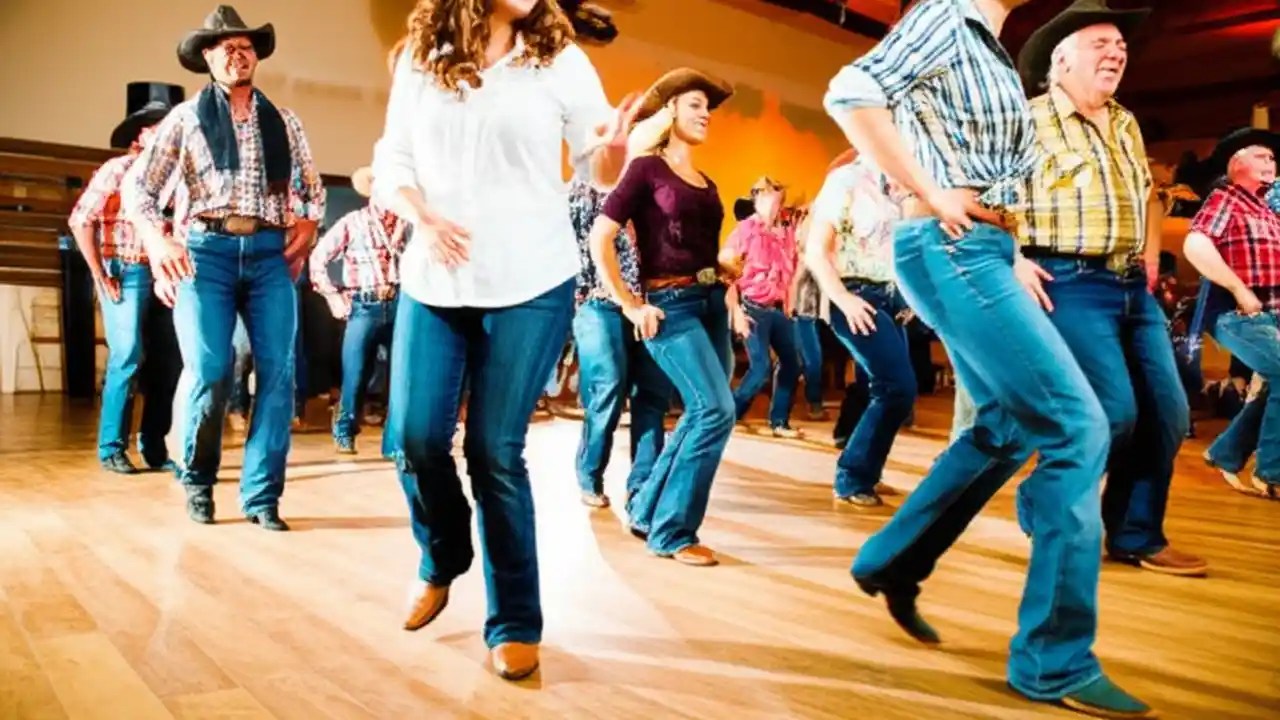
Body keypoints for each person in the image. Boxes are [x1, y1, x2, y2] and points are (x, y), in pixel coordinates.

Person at [823, 0, 1153, 716]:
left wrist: (1014, 249)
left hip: (983, 247)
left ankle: (890, 562)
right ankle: (1054, 663)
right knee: (1078, 428)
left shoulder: (990, 43)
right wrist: (926, 188)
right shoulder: (946, 12)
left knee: (1005, 428)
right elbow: (850, 90)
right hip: (951, 242)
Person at [373, 0, 640, 682]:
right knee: (413, 437)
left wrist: (613, 147)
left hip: (531, 278)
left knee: (495, 452)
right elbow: (392, 159)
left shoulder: (561, 60)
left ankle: (516, 619)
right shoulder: (419, 57)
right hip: (436, 272)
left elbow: (596, 170)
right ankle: (441, 554)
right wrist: (422, 216)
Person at [1009, 1, 1205, 576]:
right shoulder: (1028, 120)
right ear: (1060, 57)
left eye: (1120, 46)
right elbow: (991, 199)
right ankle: (1041, 500)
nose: (1116, 52)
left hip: (1127, 284)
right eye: (1101, 43)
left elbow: (1145, 192)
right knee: (1113, 412)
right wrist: (1013, 259)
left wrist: (1146, 258)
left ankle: (1136, 534)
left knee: (1167, 413)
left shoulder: (1124, 121)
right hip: (1063, 279)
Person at [122, 5, 325, 531]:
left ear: (255, 56)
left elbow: (313, 190)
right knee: (211, 371)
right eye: (225, 48)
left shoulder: (284, 121)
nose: (238, 54)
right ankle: (197, 475)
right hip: (203, 252)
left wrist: (309, 222)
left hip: (267, 253)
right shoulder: (185, 119)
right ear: (207, 59)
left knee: (278, 375)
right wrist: (157, 239)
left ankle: (261, 496)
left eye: (246, 46)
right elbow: (137, 188)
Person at [588, 67, 735, 568]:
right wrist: (630, 303)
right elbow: (600, 238)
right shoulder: (645, 170)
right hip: (668, 307)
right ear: (671, 109)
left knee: (703, 411)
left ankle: (648, 508)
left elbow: (697, 249)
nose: (705, 115)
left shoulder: (707, 182)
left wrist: (722, 270)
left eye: (708, 108)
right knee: (716, 411)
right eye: (695, 104)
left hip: (711, 301)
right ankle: (673, 532)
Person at [69, 83, 184, 475]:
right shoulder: (117, 169)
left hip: (166, 273)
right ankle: (111, 446)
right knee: (128, 353)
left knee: (168, 361)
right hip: (125, 268)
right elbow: (81, 219)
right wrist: (100, 273)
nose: (164, 132)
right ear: (141, 135)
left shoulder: (178, 178)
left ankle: (153, 446)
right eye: (156, 126)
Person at [804, 151, 915, 508]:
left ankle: (864, 472)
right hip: (854, 293)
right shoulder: (846, 180)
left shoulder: (904, 182)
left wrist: (909, 296)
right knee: (897, 388)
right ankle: (852, 476)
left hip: (891, 298)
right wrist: (841, 298)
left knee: (877, 388)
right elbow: (815, 252)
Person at [1184, 127, 1280, 500]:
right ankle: (1271, 473)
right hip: (1238, 313)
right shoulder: (1227, 198)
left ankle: (1225, 453)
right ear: (1236, 164)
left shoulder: (1267, 211)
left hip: (1269, 313)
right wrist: (1238, 288)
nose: (1270, 162)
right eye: (1261, 156)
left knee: (1275, 381)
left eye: (1273, 158)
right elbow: (1195, 243)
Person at [568, 175, 672, 509]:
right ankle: (590, 473)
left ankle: (643, 486)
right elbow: (574, 247)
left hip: (650, 303)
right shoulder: (587, 190)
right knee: (609, 385)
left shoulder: (657, 192)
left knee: (652, 394)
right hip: (600, 302)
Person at [309, 166, 406, 454]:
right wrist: (332, 297)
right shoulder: (353, 223)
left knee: (402, 373)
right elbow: (318, 259)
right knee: (356, 372)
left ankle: (396, 437)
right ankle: (345, 429)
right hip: (363, 304)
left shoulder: (409, 224)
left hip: (402, 302)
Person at [725, 177, 803, 437]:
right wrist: (736, 313)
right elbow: (726, 274)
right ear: (756, 199)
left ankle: (779, 421)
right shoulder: (745, 230)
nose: (773, 204)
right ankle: (730, 418)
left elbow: (791, 271)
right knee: (760, 368)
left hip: (777, 307)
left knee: (792, 363)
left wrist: (790, 305)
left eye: (777, 198)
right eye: (768, 197)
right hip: (752, 305)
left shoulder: (785, 233)